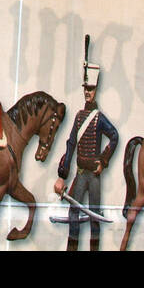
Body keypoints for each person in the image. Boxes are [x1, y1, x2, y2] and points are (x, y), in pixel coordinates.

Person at [54, 36, 118, 251]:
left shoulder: (99, 118)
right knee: (73, 212)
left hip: (94, 175)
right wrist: (62, 176)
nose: (87, 93)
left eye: (90, 89)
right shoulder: (79, 117)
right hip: (81, 173)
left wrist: (104, 161)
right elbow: (71, 144)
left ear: (95, 90)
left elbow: (115, 136)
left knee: (94, 216)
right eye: (85, 90)